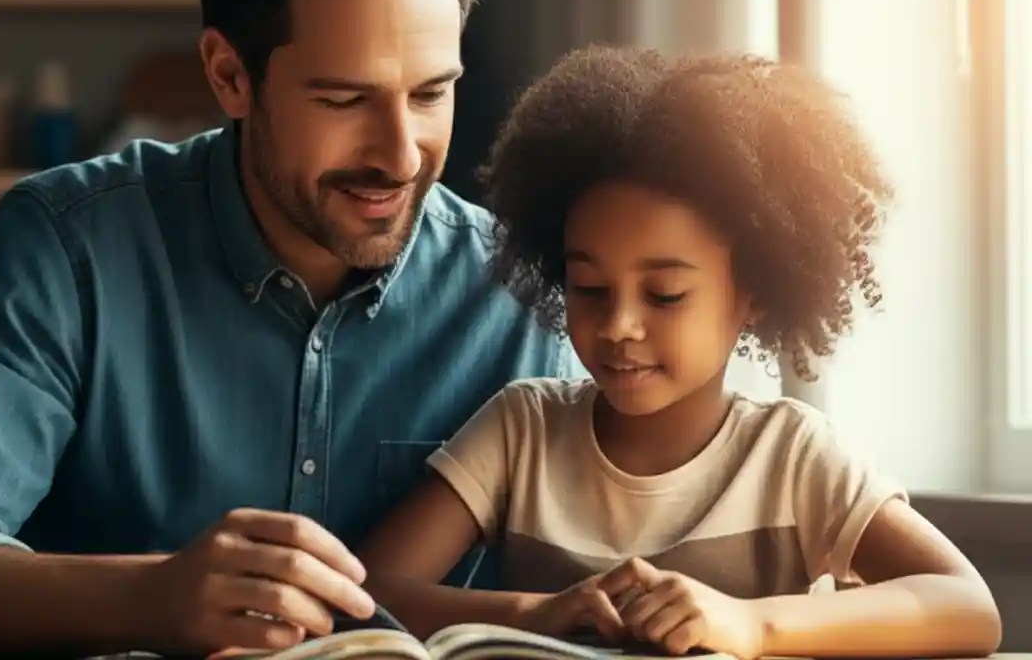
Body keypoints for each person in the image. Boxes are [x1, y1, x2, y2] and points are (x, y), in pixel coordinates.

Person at [0, 0, 582, 657]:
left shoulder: (527, 297)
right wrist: (149, 599)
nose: (399, 154)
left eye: (430, 93)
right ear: (229, 75)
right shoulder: (65, 250)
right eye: (344, 98)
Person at [357, 46, 1003, 659]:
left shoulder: (792, 458)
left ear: (751, 291)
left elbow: (969, 607)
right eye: (590, 287)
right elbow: (366, 595)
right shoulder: (520, 432)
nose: (619, 326)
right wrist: (535, 614)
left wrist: (750, 623)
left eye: (664, 295)